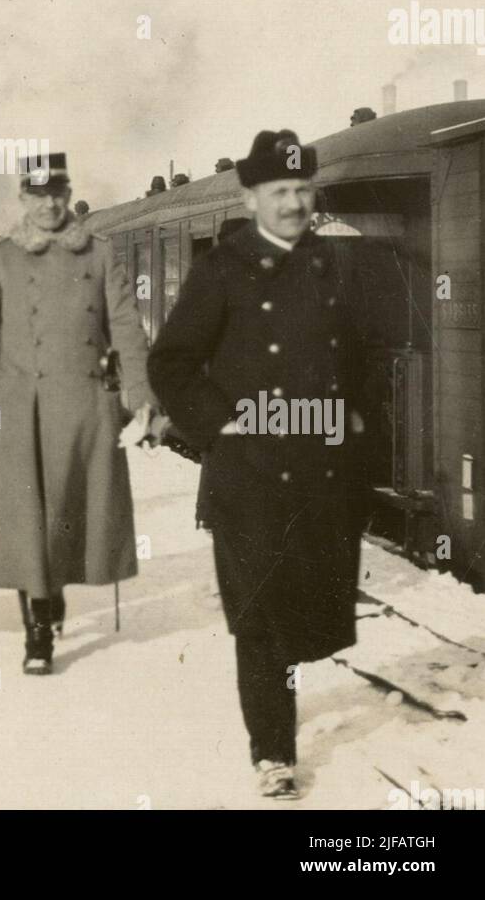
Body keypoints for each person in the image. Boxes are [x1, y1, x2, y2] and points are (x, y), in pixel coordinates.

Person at [148, 129, 373, 800]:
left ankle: (277, 725)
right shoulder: (222, 269)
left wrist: (356, 418)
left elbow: (357, 353)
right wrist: (220, 421)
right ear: (251, 199)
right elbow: (171, 362)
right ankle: (273, 752)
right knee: (260, 618)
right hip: (249, 476)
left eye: (303, 190)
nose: (294, 204)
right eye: (280, 192)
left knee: (304, 611)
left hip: (319, 470)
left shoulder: (330, 265)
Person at [0, 152, 154, 675]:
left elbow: (127, 328)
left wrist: (141, 394)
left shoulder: (100, 254)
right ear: (23, 198)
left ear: (68, 196)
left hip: (85, 407)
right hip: (19, 410)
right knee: (28, 521)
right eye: (38, 195)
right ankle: (37, 630)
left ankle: (54, 590)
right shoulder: (0, 257)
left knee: (67, 512)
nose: (49, 205)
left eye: (57, 195)